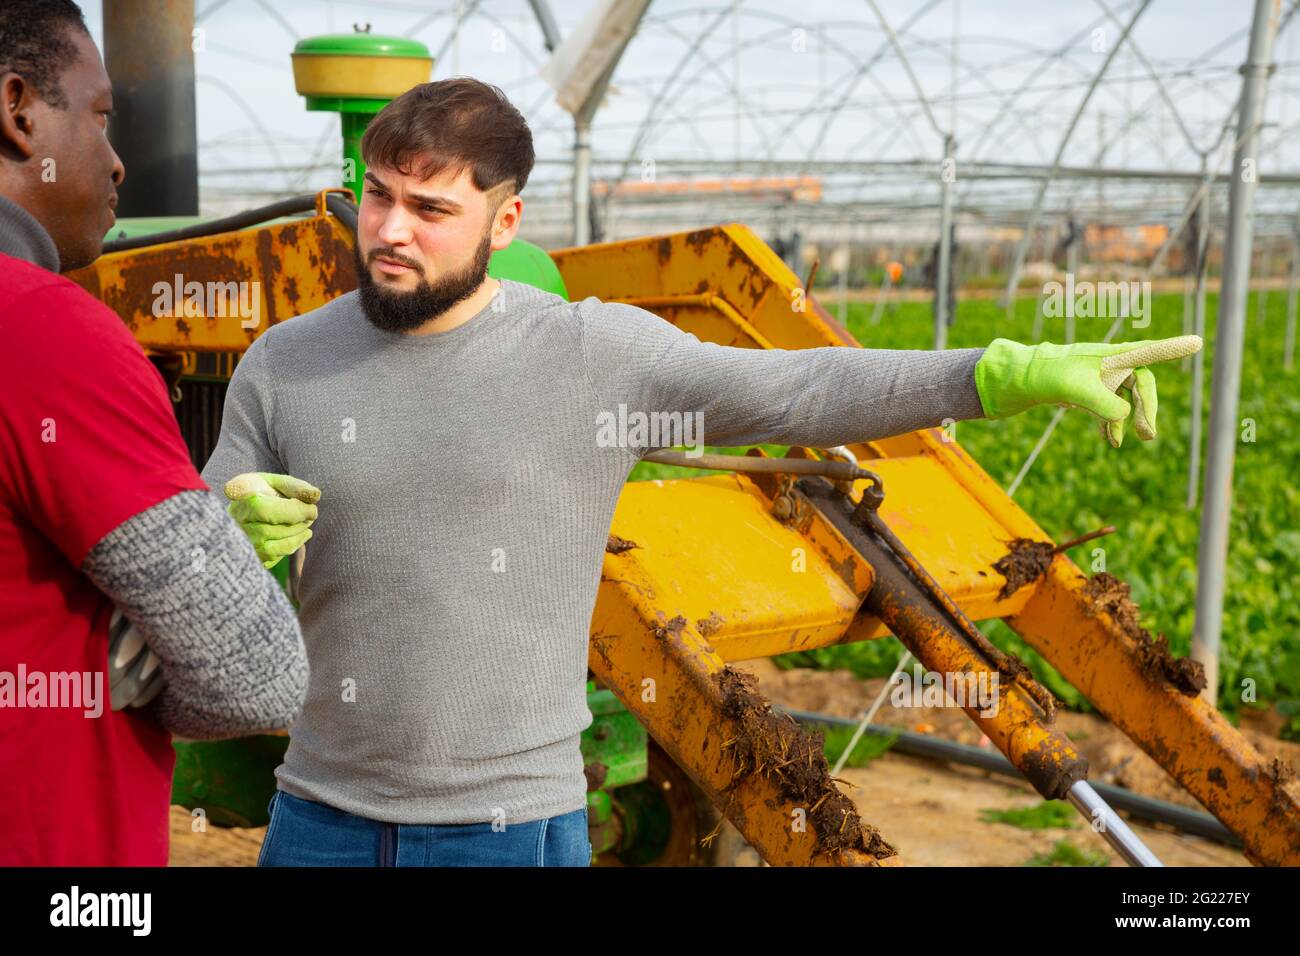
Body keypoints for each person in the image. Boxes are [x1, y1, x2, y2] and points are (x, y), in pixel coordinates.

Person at [205, 77, 1199, 868]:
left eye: (430, 208)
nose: (388, 230)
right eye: (377, 194)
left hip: (506, 830)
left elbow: (802, 391)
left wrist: (1000, 371)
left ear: (504, 225)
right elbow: (197, 532)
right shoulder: (286, 360)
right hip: (320, 818)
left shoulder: (589, 357)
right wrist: (226, 525)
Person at [0, 0, 308, 866]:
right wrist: (187, 595)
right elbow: (256, 677)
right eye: (98, 118)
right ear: (19, 111)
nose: (118, 160)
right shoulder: (47, 332)